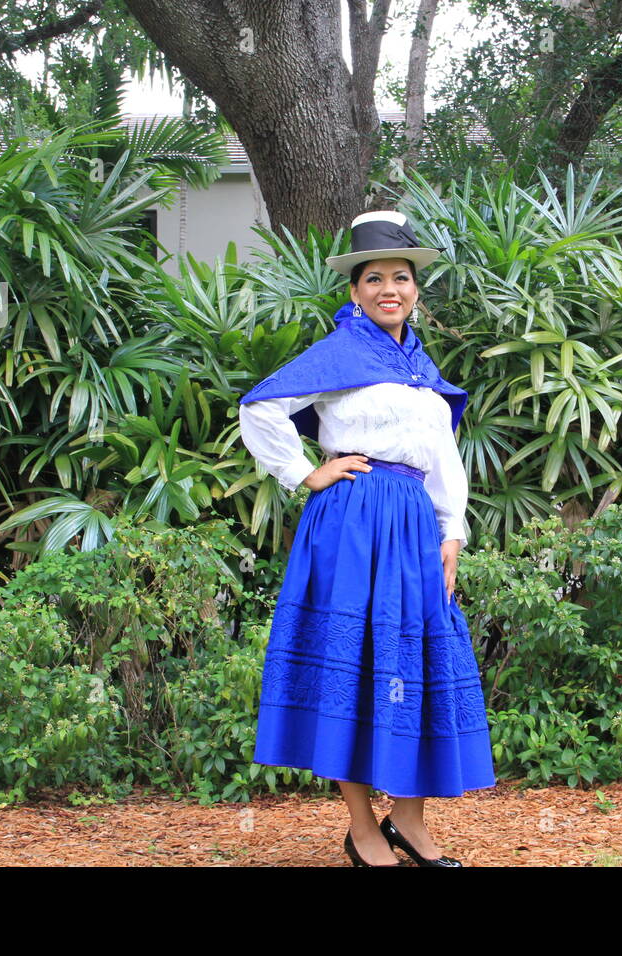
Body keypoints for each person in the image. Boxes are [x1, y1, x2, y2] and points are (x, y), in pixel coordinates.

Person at [238, 210, 496, 867]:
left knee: (419, 662)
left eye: (401, 277)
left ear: (415, 288)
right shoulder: (341, 352)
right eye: (374, 277)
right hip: (351, 524)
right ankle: (360, 829)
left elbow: (443, 455)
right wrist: (305, 472)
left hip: (413, 526)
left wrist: (453, 531)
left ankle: (409, 824)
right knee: (349, 665)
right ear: (354, 291)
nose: (390, 288)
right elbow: (260, 407)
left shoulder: (418, 364)